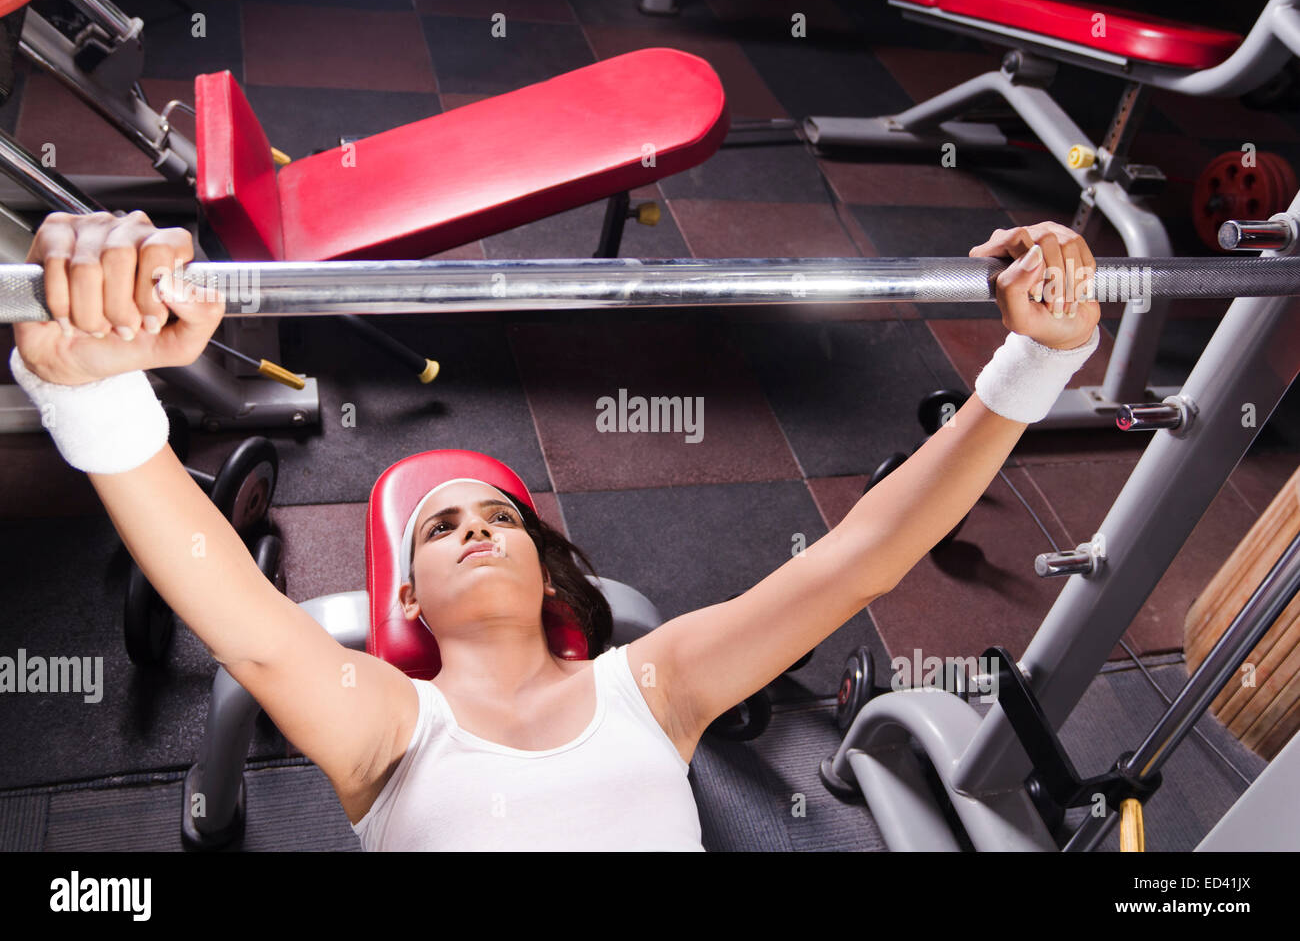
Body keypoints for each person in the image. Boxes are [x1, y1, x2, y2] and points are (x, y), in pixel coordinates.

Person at [9, 209, 1100, 850]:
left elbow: (861, 558)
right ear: (404, 595)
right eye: (443, 527)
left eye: (502, 517)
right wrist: (94, 392)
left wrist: (1036, 361)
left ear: (546, 572)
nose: (478, 527)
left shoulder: (655, 685)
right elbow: (249, 634)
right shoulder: (390, 724)